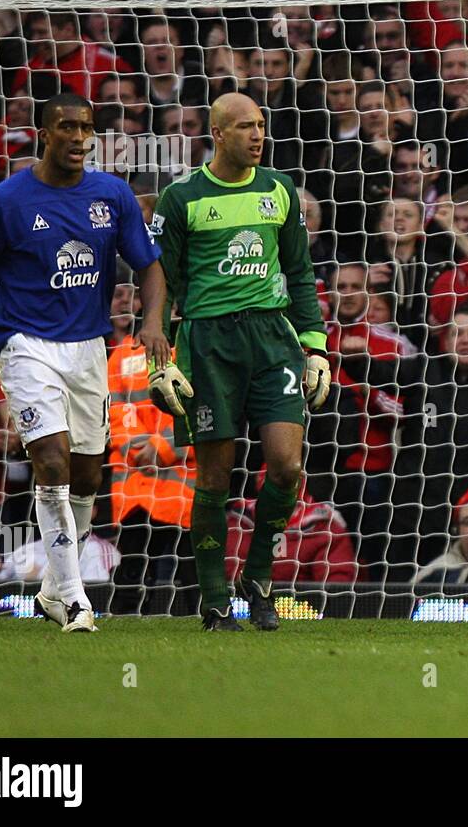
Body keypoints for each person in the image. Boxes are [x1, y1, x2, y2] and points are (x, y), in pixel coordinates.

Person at [0, 92, 168, 633]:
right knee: (50, 460)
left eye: (86, 128)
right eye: (67, 127)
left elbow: (151, 266)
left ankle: (52, 588)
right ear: (45, 135)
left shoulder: (112, 196)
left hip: (89, 347)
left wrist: (153, 322)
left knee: (88, 473)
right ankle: (74, 599)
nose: (78, 137)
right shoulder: (5, 200)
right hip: (24, 344)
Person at [151, 92, 331, 632]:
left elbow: (299, 271)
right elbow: (161, 276)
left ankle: (258, 582)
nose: (257, 136)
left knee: (287, 465)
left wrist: (316, 345)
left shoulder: (279, 190)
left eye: (261, 125)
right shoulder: (181, 197)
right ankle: (213, 598)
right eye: (245, 127)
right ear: (218, 134)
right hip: (207, 343)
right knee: (214, 477)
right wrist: (162, 350)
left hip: (272, 338)